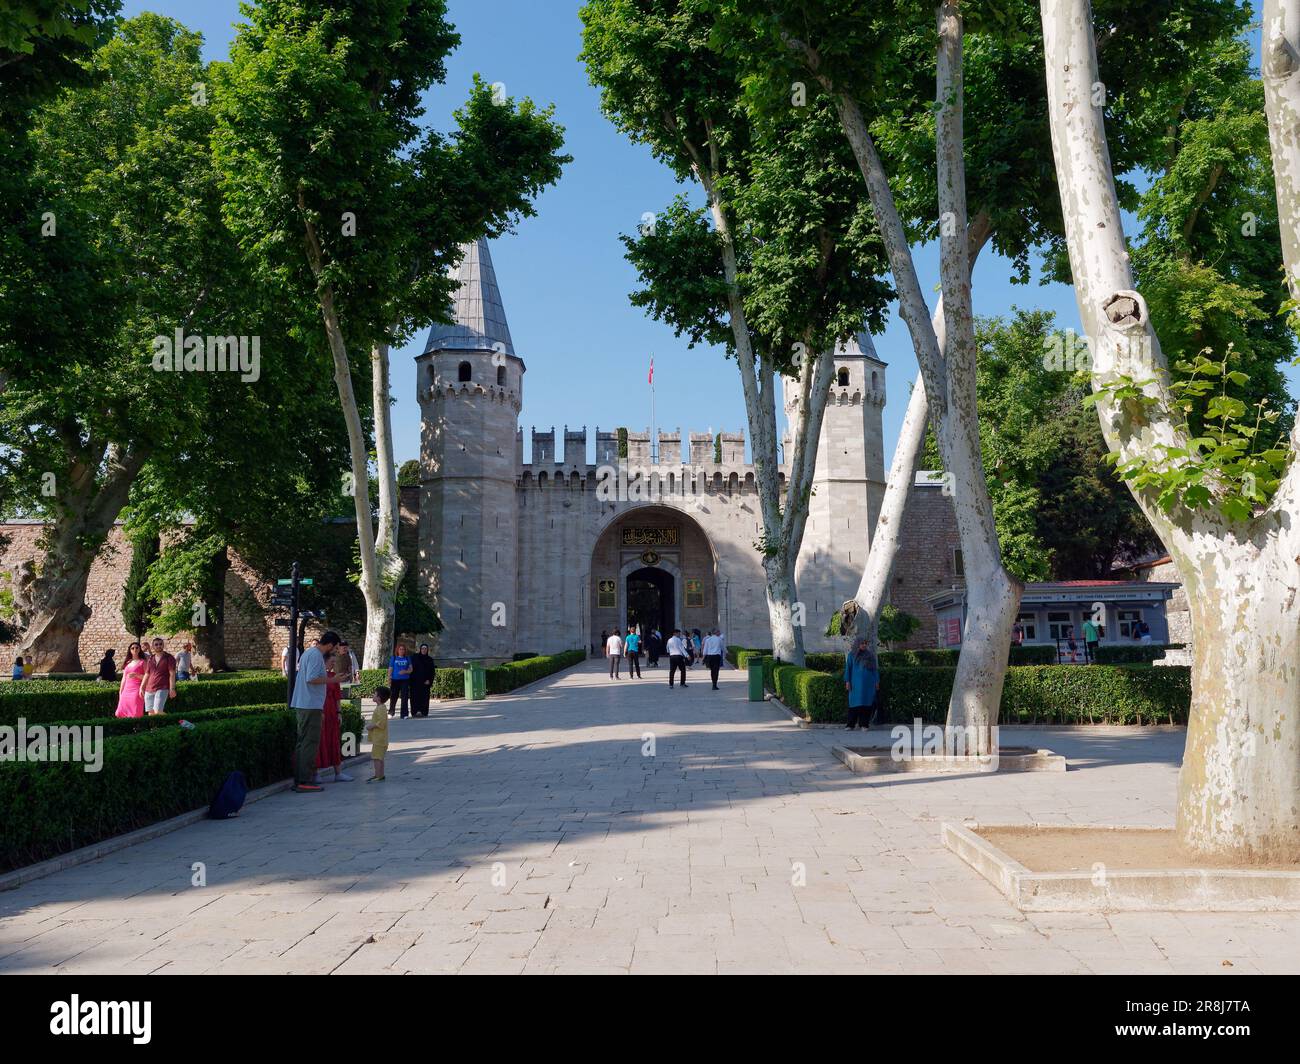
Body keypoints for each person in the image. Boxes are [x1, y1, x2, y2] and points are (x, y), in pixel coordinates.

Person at [290, 630, 340, 792]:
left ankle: (300, 779)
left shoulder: (309, 653)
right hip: (310, 705)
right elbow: (311, 678)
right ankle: (304, 781)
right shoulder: (316, 656)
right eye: (335, 647)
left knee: (303, 742)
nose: (334, 651)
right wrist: (332, 680)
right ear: (330, 645)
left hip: (306, 704)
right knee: (309, 743)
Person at [314, 648, 353, 784]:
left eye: (334, 662)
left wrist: (339, 712)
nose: (333, 664)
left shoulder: (334, 677)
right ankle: (316, 773)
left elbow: (337, 697)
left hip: (331, 712)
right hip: (320, 710)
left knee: (333, 740)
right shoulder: (318, 677)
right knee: (320, 741)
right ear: (324, 662)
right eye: (332, 661)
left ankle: (338, 772)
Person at [843, 637, 880, 730]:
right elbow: (848, 669)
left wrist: (877, 681)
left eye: (865, 643)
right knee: (854, 704)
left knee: (866, 704)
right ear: (857, 644)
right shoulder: (851, 655)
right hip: (855, 685)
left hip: (868, 684)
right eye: (862, 643)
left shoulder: (870, 655)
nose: (864, 645)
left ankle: (864, 725)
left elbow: (875, 670)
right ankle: (850, 725)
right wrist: (847, 681)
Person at [141, 636, 176, 715]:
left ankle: (173, 720)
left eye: (160, 644)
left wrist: (172, 688)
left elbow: (172, 674)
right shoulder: (151, 659)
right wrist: (142, 687)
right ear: (153, 646)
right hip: (149, 688)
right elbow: (147, 674)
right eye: (156, 644)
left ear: (163, 645)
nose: (158, 646)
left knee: (158, 711)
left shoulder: (169, 658)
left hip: (162, 687)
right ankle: (157, 725)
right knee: (151, 713)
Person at [115, 642, 148, 718]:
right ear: (130, 650)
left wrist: (137, 675)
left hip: (137, 689)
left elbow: (147, 677)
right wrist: (121, 691)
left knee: (135, 711)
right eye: (132, 648)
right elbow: (124, 678)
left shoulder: (143, 662)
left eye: (137, 647)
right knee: (121, 711)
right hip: (126, 690)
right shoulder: (127, 663)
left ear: (140, 649)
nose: (135, 649)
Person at [366, 685, 391, 782]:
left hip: (379, 739)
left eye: (375, 694)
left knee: (376, 757)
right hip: (380, 738)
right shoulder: (381, 707)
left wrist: (371, 726)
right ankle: (381, 775)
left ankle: (377, 775)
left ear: (379, 698)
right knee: (379, 757)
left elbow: (382, 723)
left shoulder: (381, 708)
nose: (373, 695)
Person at [387, 642, 413, 718]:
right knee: (393, 697)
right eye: (400, 649)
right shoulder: (394, 658)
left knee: (404, 697)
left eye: (403, 649)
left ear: (405, 651)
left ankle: (404, 714)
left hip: (405, 680)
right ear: (397, 650)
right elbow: (390, 669)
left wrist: (405, 671)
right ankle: (391, 712)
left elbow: (411, 669)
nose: (402, 651)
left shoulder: (407, 658)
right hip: (395, 680)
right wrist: (389, 678)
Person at [410, 643, 435, 717]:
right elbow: (411, 668)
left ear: (427, 650)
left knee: (424, 698)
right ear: (420, 649)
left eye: (425, 649)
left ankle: (423, 712)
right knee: (414, 697)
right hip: (415, 682)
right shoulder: (415, 657)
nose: (424, 650)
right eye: (422, 648)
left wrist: (429, 680)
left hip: (425, 682)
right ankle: (415, 712)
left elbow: (432, 672)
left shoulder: (430, 659)